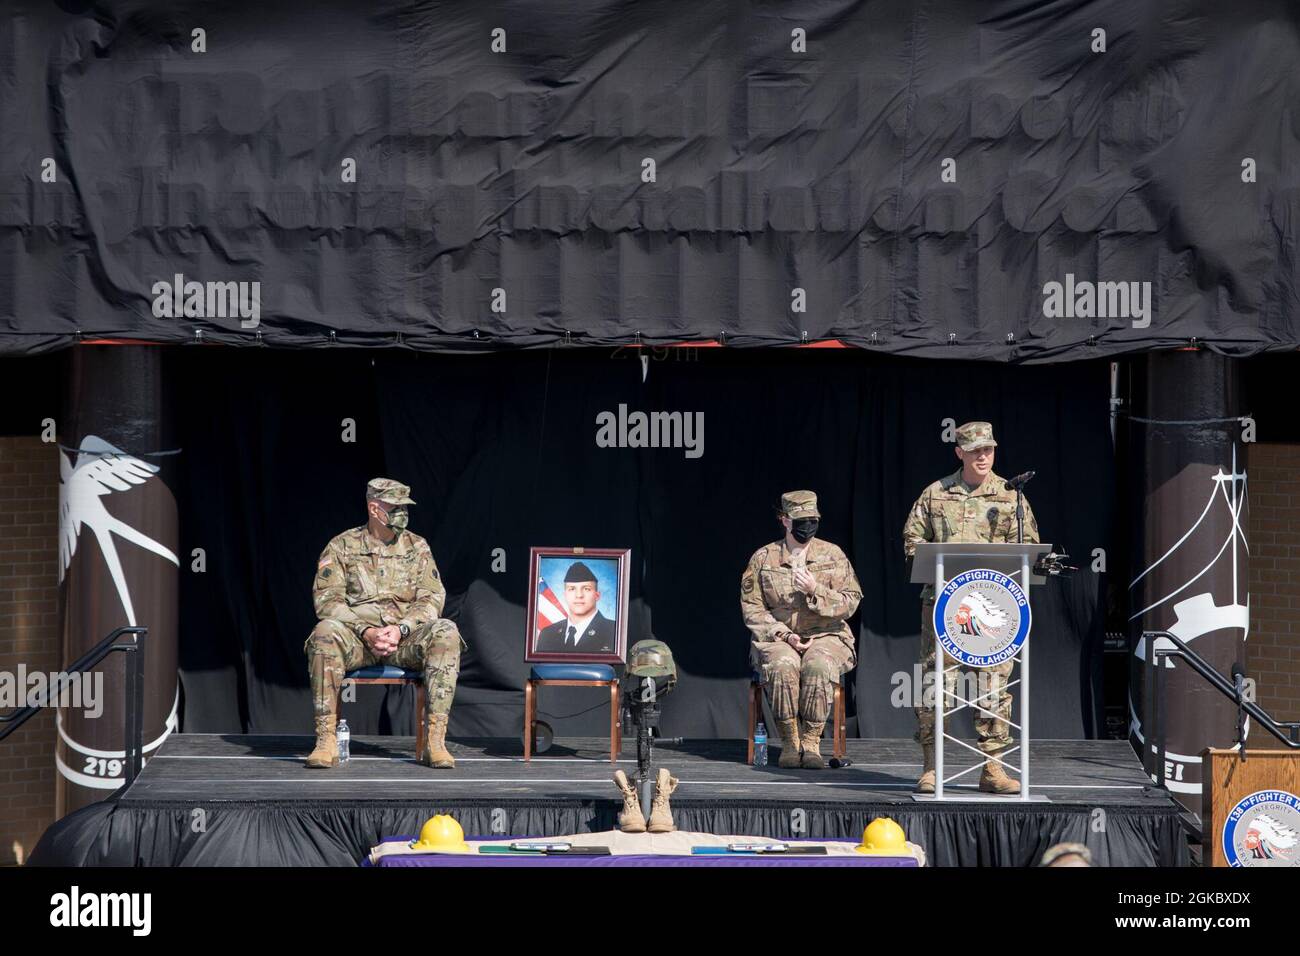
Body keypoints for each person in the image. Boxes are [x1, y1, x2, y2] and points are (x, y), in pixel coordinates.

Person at [902, 422, 1038, 794]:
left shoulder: (1011, 497)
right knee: (934, 682)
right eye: (975, 450)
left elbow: (1029, 548)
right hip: (945, 606)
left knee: (993, 683)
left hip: (993, 606)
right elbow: (912, 541)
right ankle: (932, 767)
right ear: (959, 451)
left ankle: (993, 769)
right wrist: (934, 559)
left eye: (989, 450)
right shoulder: (936, 493)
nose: (983, 456)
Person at [304, 478, 464, 769]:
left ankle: (435, 740)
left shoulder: (418, 547)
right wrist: (366, 631)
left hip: (405, 641)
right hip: (358, 641)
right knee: (324, 633)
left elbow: (431, 598)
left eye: (405, 507)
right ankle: (325, 740)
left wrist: (402, 628)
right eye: (396, 507)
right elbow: (327, 601)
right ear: (374, 508)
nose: (402, 513)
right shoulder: (341, 546)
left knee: (446, 631)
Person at [741, 491, 861, 769]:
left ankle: (811, 742)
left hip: (828, 634)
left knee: (818, 665)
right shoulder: (764, 558)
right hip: (780, 637)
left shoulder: (833, 555)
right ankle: (790, 742)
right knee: (783, 664)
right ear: (785, 520)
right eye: (800, 520)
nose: (807, 526)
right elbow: (753, 609)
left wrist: (814, 589)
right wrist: (784, 635)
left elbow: (850, 602)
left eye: (812, 520)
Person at [535, 561, 617, 653]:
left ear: (597, 596)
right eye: (572, 589)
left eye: (586, 589)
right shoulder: (547, 634)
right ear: (565, 595)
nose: (579, 595)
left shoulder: (614, 631)